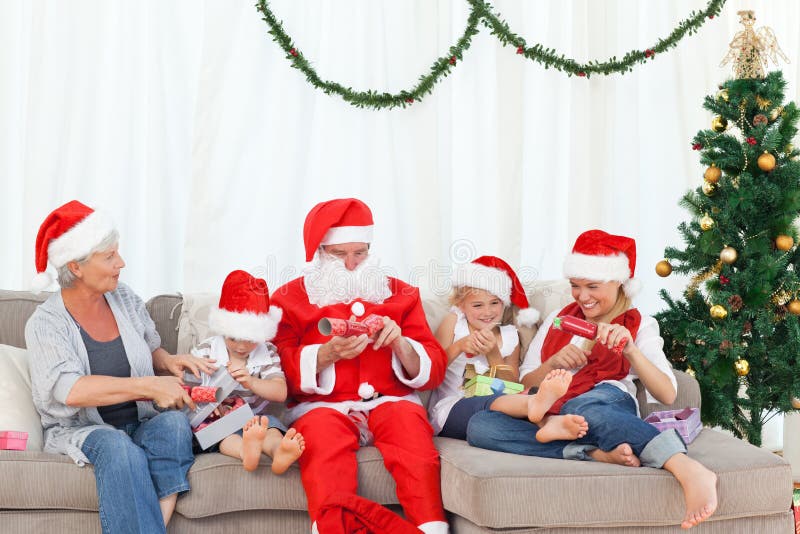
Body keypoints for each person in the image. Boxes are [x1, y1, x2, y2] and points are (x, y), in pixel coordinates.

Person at [464, 230, 718, 530]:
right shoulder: (560, 317)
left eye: (592, 286)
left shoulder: (640, 325)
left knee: (586, 408)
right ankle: (595, 452)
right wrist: (552, 363)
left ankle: (685, 466)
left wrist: (632, 350)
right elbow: (526, 380)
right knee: (480, 426)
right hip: (549, 403)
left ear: (620, 282)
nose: (582, 296)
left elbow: (667, 393)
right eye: (575, 286)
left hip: (602, 399)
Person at [24, 200, 217, 534]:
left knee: (173, 424)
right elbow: (70, 390)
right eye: (110, 256)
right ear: (76, 266)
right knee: (119, 449)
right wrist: (148, 386)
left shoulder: (123, 297)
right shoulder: (46, 324)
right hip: (82, 430)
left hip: (140, 420)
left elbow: (149, 342)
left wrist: (168, 361)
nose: (121, 263)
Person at [270, 198, 450, 534]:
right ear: (321, 252)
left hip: (391, 401)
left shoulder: (401, 293)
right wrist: (324, 356)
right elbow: (274, 369)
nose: (352, 264)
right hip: (322, 407)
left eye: (361, 253)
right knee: (323, 449)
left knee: (414, 441)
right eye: (340, 255)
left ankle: (429, 529)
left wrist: (401, 344)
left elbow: (435, 368)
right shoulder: (288, 298)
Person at [429, 255, 588, 443]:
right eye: (478, 305)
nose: (488, 312)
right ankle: (536, 407)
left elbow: (513, 384)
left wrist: (493, 354)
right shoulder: (455, 323)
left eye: (494, 303)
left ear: (504, 303)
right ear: (461, 305)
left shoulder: (510, 335)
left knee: (498, 417)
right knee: (491, 407)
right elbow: (432, 370)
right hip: (452, 408)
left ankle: (546, 421)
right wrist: (459, 346)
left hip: (500, 408)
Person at [186, 269, 304, 474]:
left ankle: (279, 453)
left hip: (255, 420)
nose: (241, 347)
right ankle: (246, 452)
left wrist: (252, 382)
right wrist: (208, 403)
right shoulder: (207, 351)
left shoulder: (266, 353)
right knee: (223, 436)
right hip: (218, 422)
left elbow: (280, 392)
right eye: (233, 338)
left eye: (250, 340)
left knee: (271, 429)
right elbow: (187, 390)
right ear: (223, 330)